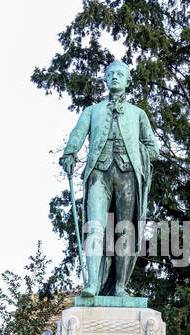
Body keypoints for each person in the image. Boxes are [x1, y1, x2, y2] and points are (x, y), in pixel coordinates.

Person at [59, 59, 159, 298]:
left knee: (125, 233)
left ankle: (120, 286)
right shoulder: (92, 112)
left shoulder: (138, 114)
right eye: (110, 73)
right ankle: (92, 283)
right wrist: (69, 154)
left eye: (119, 74)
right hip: (99, 175)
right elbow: (77, 135)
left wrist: (137, 152)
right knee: (94, 227)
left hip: (127, 177)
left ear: (127, 81)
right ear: (105, 80)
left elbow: (153, 148)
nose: (114, 76)